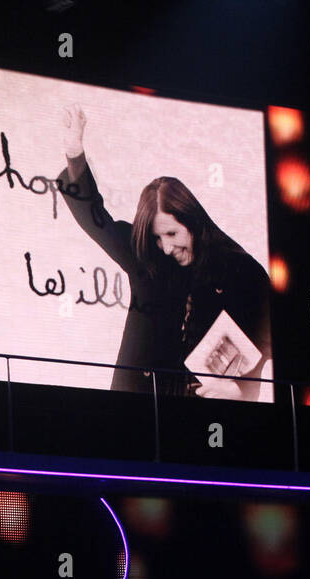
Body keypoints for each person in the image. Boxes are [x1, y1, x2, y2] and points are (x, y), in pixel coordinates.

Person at [57, 104, 273, 400]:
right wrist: (74, 152)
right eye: (158, 238)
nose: (167, 247)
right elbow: (97, 220)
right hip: (136, 406)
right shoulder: (146, 255)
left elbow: (267, 335)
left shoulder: (240, 269)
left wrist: (240, 390)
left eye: (172, 234)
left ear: (193, 221)